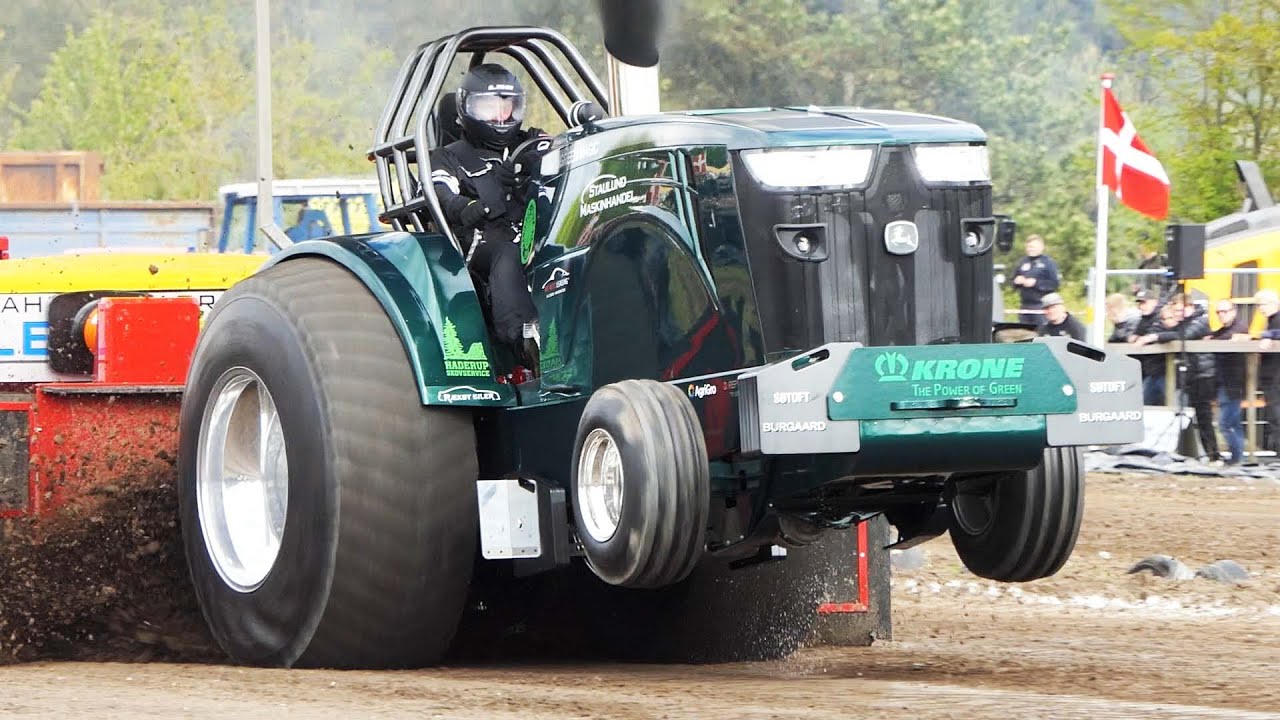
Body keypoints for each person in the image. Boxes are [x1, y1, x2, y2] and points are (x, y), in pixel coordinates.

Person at [428, 63, 548, 376]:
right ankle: (526, 340)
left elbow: (564, 162)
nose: (499, 116)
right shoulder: (448, 156)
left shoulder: (533, 143)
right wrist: (464, 207)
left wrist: (534, 165)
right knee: (508, 250)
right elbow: (439, 192)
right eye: (488, 107)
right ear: (466, 109)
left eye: (506, 106)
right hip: (481, 239)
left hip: (536, 228)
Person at [1134, 294, 1218, 460]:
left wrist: (1154, 337)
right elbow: (1169, 331)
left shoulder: (1200, 321)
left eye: (1181, 309)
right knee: (1190, 416)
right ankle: (1200, 453)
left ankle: (1213, 454)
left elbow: (1183, 335)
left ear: (1191, 307)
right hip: (1188, 374)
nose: (1178, 314)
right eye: (1176, 310)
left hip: (1202, 373)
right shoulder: (1184, 322)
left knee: (1204, 417)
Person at [1208, 299, 1249, 464]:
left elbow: (1225, 339)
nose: (1222, 315)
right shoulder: (1222, 332)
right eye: (1219, 312)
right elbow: (1218, 336)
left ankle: (1237, 458)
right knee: (1232, 422)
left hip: (1233, 383)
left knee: (1227, 423)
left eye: (1225, 311)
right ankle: (1237, 457)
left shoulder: (1240, 328)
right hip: (1224, 381)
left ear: (1234, 311)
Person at [1011, 234, 1061, 327]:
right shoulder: (1022, 262)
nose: (1030, 249)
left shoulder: (1048, 263)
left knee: (1041, 333)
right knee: (1024, 333)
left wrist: (1036, 283)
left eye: (1033, 247)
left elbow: (1054, 284)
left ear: (1041, 247)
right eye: (1028, 247)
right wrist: (1016, 281)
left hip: (1041, 306)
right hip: (1025, 306)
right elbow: (1012, 281)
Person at [1128, 289, 1165, 404]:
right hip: (1151, 370)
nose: (1141, 306)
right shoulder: (1144, 319)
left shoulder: (1162, 315)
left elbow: (1157, 332)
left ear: (1154, 302)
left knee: (1170, 401)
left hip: (1163, 369)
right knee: (1144, 402)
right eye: (1139, 303)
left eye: (1144, 303)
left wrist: (1144, 338)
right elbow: (1135, 336)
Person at [1255, 289, 1280, 453]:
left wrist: (1267, 335)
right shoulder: (1271, 320)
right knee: (1273, 414)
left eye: (1262, 304)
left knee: (1276, 414)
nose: (1260, 309)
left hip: (1275, 375)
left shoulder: (1276, 320)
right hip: (1271, 375)